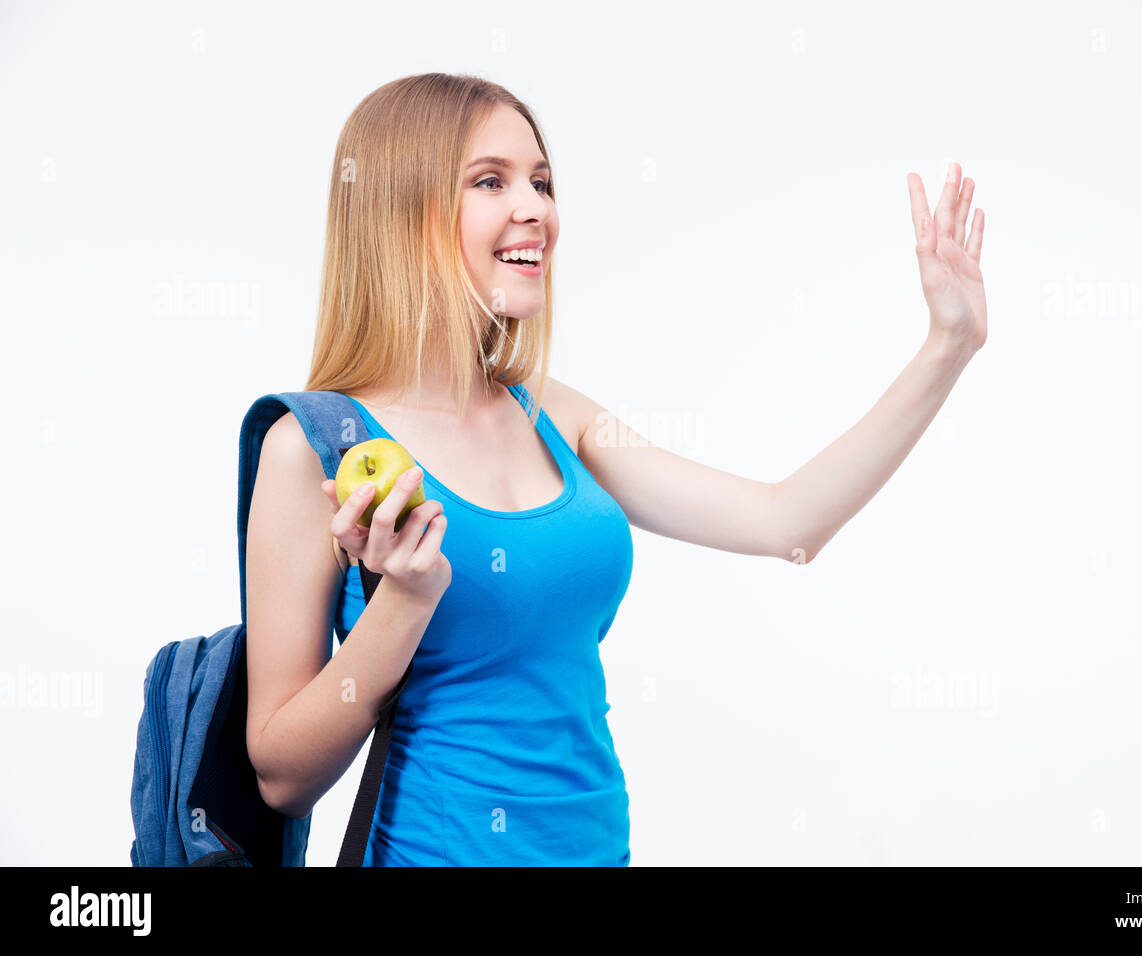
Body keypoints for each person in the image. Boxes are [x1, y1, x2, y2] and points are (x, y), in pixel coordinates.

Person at [242, 72, 988, 866]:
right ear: (399, 210)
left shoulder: (551, 414)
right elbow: (281, 776)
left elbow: (785, 522)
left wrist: (948, 347)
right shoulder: (311, 445)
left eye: (541, 181)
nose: (536, 209)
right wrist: (405, 600)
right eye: (491, 182)